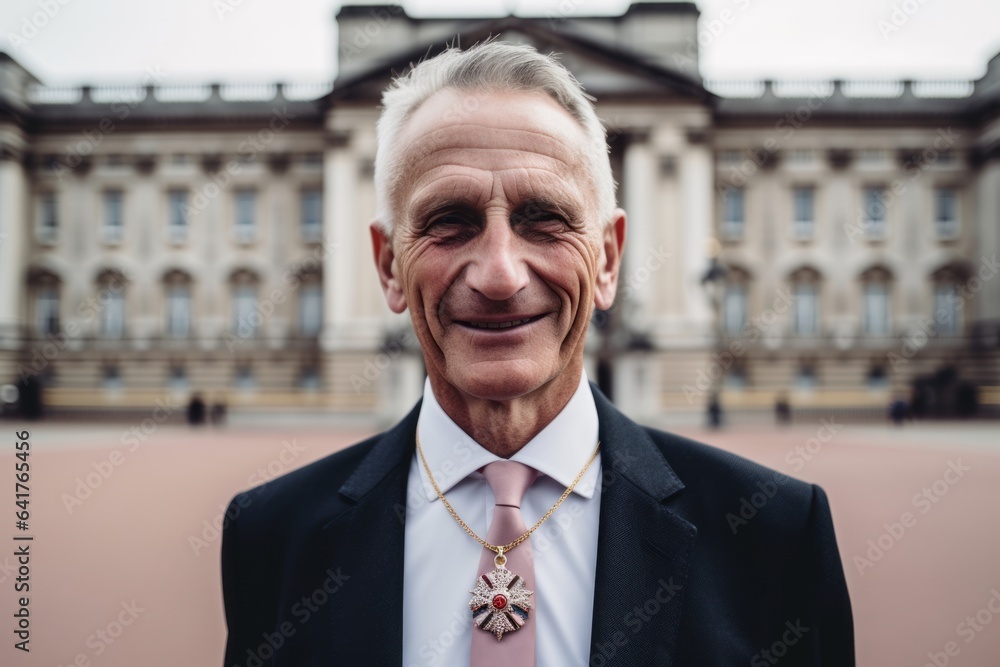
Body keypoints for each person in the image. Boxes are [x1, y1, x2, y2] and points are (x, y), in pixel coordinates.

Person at [221, 42, 854, 665]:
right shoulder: (271, 539)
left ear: (607, 258)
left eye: (544, 218)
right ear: (389, 266)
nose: (500, 276)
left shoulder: (776, 538)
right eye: (451, 221)